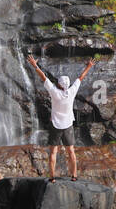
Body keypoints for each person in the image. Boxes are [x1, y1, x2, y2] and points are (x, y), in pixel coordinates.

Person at [27, 52, 96, 181]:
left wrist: (35, 66)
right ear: (67, 85)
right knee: (71, 152)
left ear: (59, 84)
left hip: (55, 125)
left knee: (53, 152)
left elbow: (43, 78)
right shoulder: (71, 91)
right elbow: (80, 78)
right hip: (68, 124)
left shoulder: (54, 92)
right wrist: (89, 66)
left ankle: (52, 177)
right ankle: (74, 176)